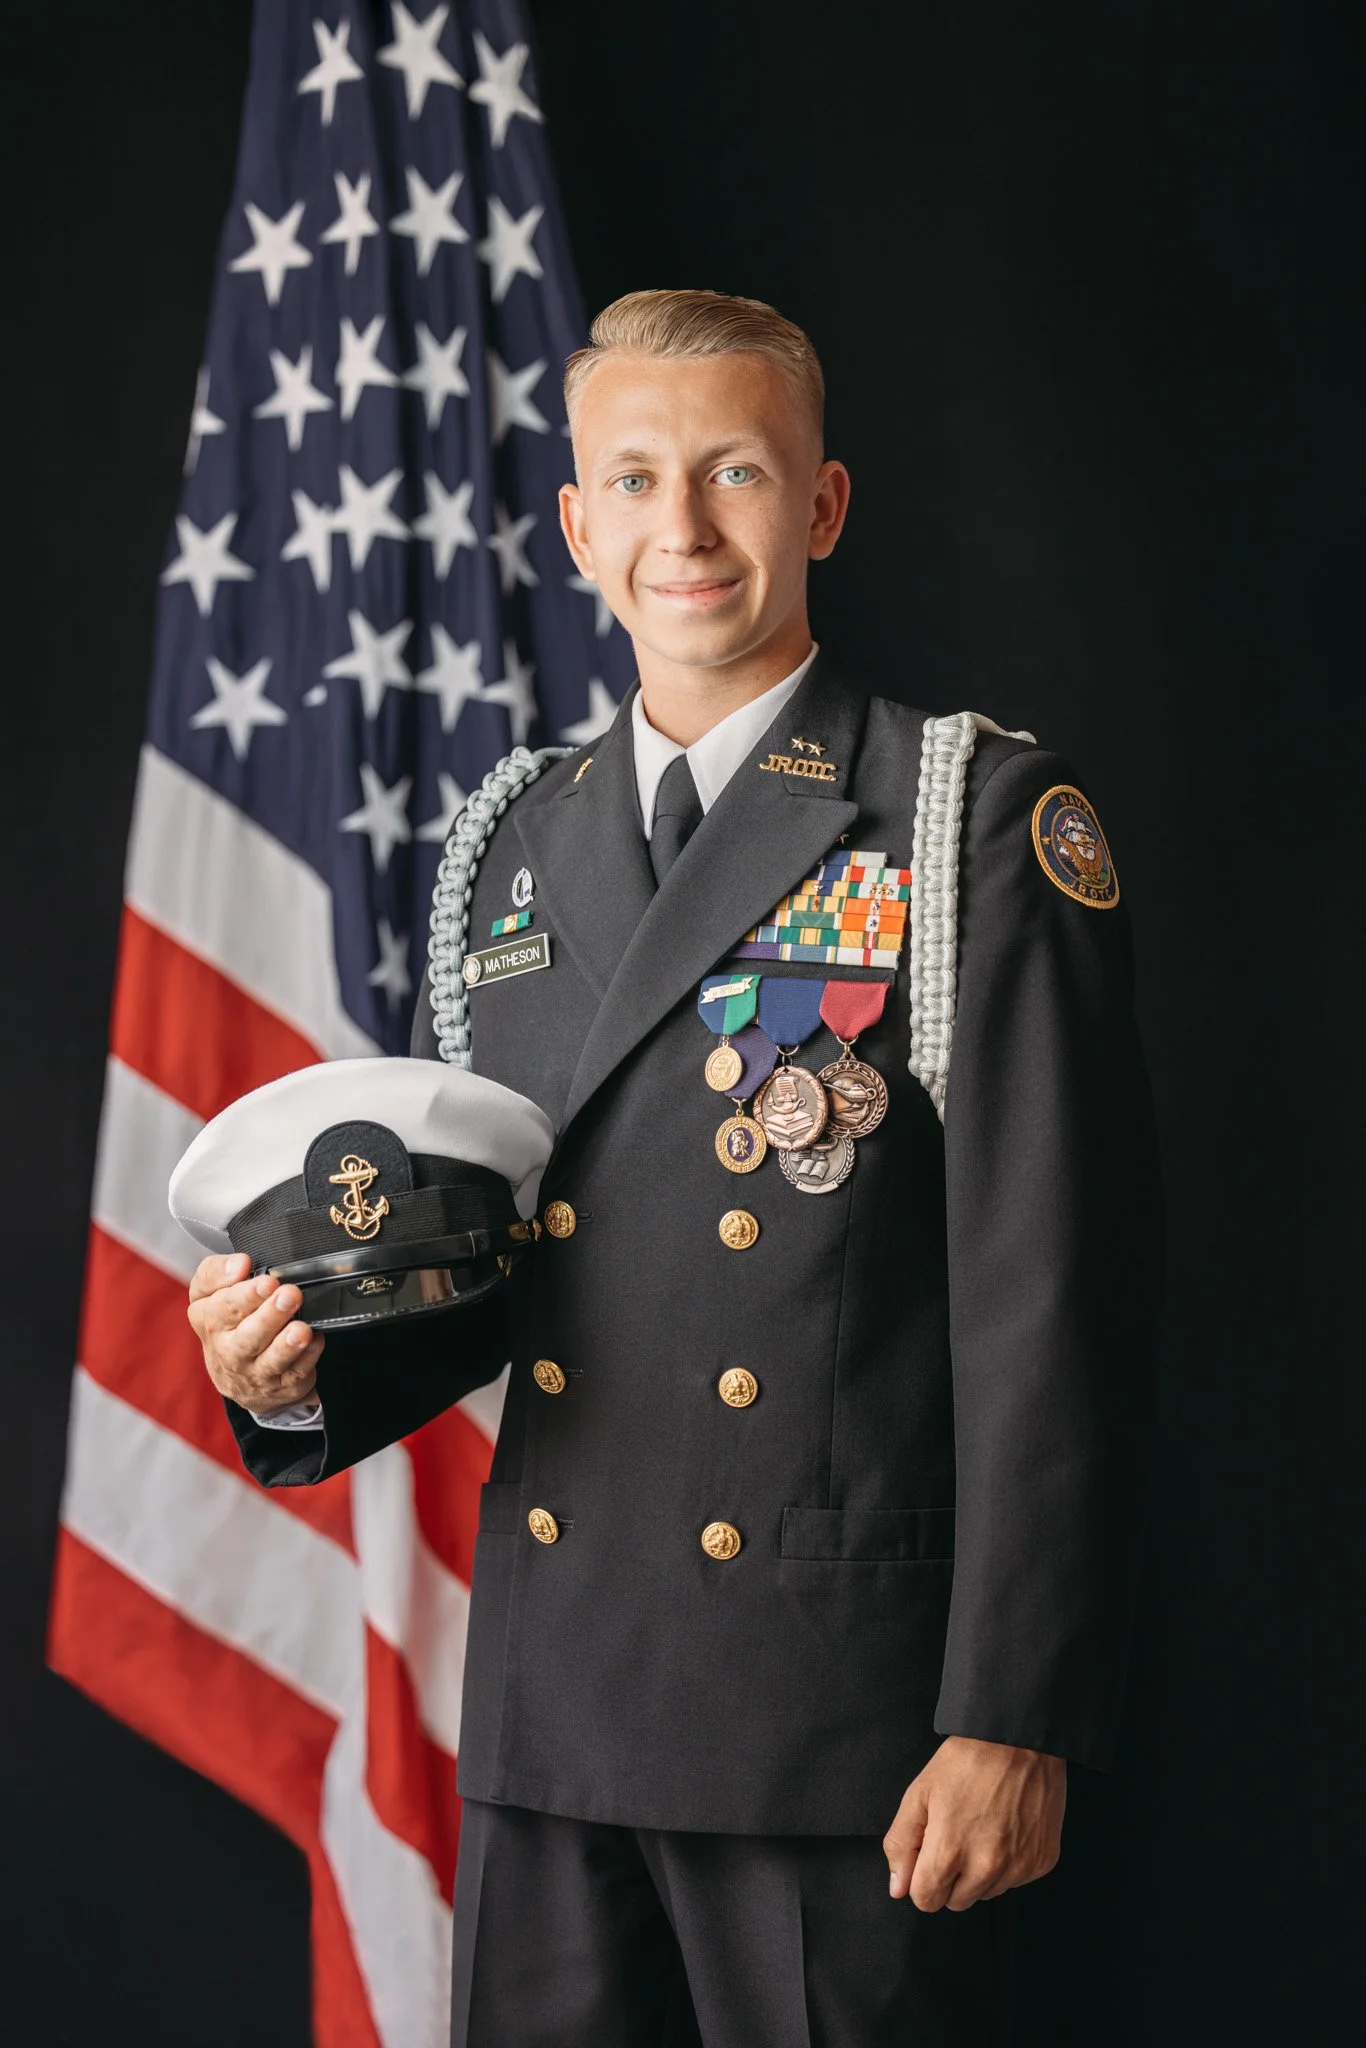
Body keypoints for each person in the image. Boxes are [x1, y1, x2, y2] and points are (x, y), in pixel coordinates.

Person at [188, 289, 1163, 2047]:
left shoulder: (962, 816)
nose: (684, 528)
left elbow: (1054, 1304)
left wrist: (1012, 1712)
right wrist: (301, 1371)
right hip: (557, 1704)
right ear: (577, 526)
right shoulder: (510, 843)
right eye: (634, 480)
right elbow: (510, 1275)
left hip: (840, 1728)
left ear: (823, 504)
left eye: (735, 472)